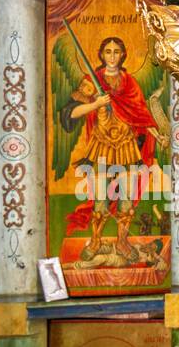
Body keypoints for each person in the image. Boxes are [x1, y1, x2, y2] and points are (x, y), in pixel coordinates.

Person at [59, 37, 166, 263]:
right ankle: (96, 240)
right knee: (100, 199)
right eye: (108, 51)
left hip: (127, 147)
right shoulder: (92, 81)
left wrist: (158, 136)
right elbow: (71, 113)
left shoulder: (130, 83)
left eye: (116, 51)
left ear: (123, 54)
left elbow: (141, 116)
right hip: (101, 148)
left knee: (126, 199)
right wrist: (96, 104)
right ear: (101, 54)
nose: (112, 56)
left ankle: (122, 241)